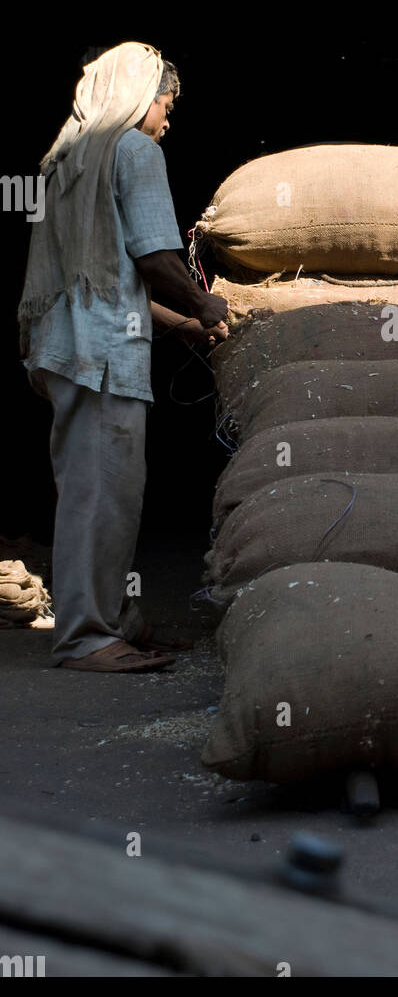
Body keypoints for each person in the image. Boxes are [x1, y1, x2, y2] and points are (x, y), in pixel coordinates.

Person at [17, 42, 229, 672]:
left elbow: (104, 276)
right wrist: (204, 304)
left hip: (69, 349)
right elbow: (155, 259)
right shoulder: (135, 150)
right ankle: (86, 637)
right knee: (101, 497)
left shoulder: (64, 162)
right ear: (143, 96)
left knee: (101, 491)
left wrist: (181, 325)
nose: (169, 116)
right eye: (168, 100)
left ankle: (119, 618)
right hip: (103, 357)